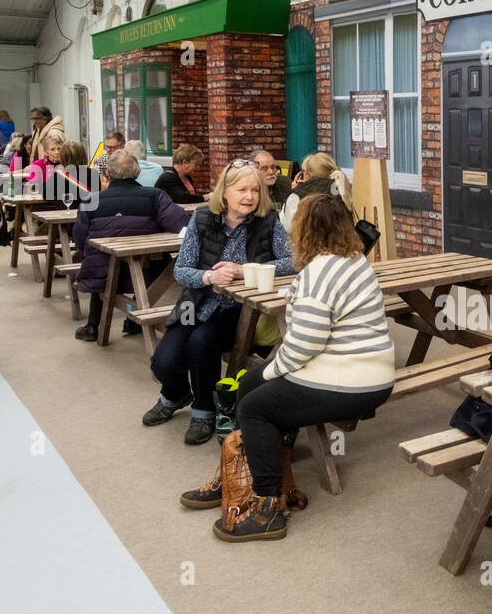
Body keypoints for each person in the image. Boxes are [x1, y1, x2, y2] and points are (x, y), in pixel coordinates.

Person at [182, 187, 395, 542]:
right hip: (367, 372)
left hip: (350, 381)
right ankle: (240, 473)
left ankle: (267, 507)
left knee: (253, 404)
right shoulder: (353, 260)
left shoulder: (319, 273)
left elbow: (301, 348)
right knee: (251, 384)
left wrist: (267, 370)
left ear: (305, 230)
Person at [143, 159, 294, 445]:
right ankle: (175, 393)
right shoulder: (201, 218)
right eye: (242, 190)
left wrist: (242, 270)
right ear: (225, 192)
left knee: (201, 344)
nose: (249, 196)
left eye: (255, 190)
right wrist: (209, 276)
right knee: (163, 361)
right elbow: (181, 270)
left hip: (237, 307)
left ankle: (204, 411)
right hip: (195, 301)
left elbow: (292, 262)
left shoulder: (269, 221)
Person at [73, 150, 190, 342]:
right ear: (137, 173)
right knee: (163, 264)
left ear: (108, 174)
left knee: (100, 263)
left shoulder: (90, 200)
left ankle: (93, 326)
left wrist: (87, 253)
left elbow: (79, 237)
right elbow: (182, 225)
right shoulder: (155, 196)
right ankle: (133, 320)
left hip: (102, 269)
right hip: (148, 268)